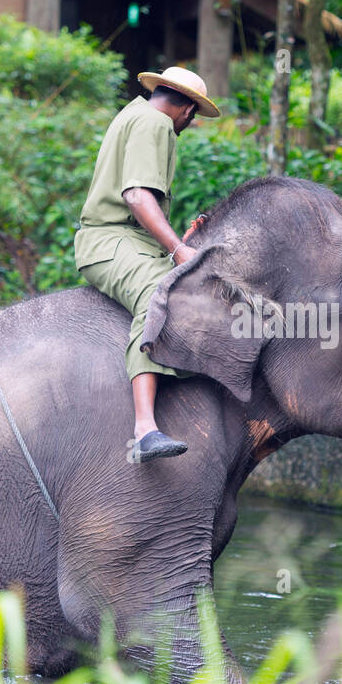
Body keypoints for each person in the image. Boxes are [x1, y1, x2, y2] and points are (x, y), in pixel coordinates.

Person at [74, 66, 221, 463]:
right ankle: (144, 430)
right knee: (160, 291)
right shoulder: (155, 123)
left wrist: (180, 242)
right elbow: (137, 196)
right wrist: (176, 249)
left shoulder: (133, 113)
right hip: (108, 241)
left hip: (125, 240)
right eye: (194, 118)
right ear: (187, 111)